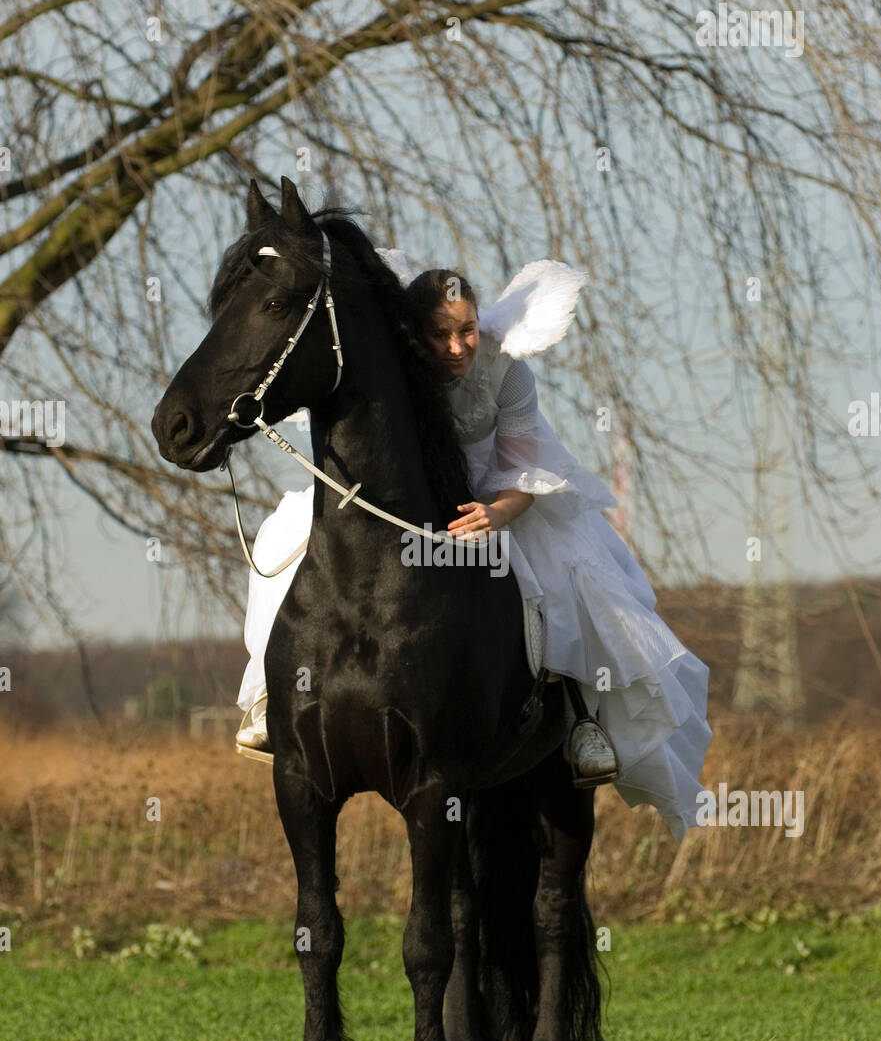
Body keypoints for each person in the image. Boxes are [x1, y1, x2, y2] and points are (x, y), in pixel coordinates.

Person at [236, 256, 711, 841]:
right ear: (416, 334)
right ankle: (265, 693)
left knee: (570, 576)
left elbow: (526, 472)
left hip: (490, 502)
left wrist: (496, 515)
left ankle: (582, 720)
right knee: (281, 534)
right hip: (399, 502)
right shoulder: (390, 368)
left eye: (468, 330)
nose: (459, 347)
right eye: (442, 334)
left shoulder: (508, 373)